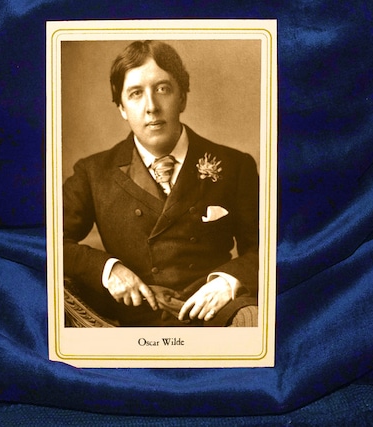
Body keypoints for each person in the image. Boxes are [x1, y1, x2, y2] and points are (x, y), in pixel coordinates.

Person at [63, 40, 258, 327]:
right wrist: (108, 269)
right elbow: (48, 240)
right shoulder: (93, 173)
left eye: (163, 89)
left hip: (214, 311)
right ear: (121, 108)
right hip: (132, 315)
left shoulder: (235, 165)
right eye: (136, 94)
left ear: (182, 98)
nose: (151, 107)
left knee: (252, 321)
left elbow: (267, 247)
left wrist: (229, 280)